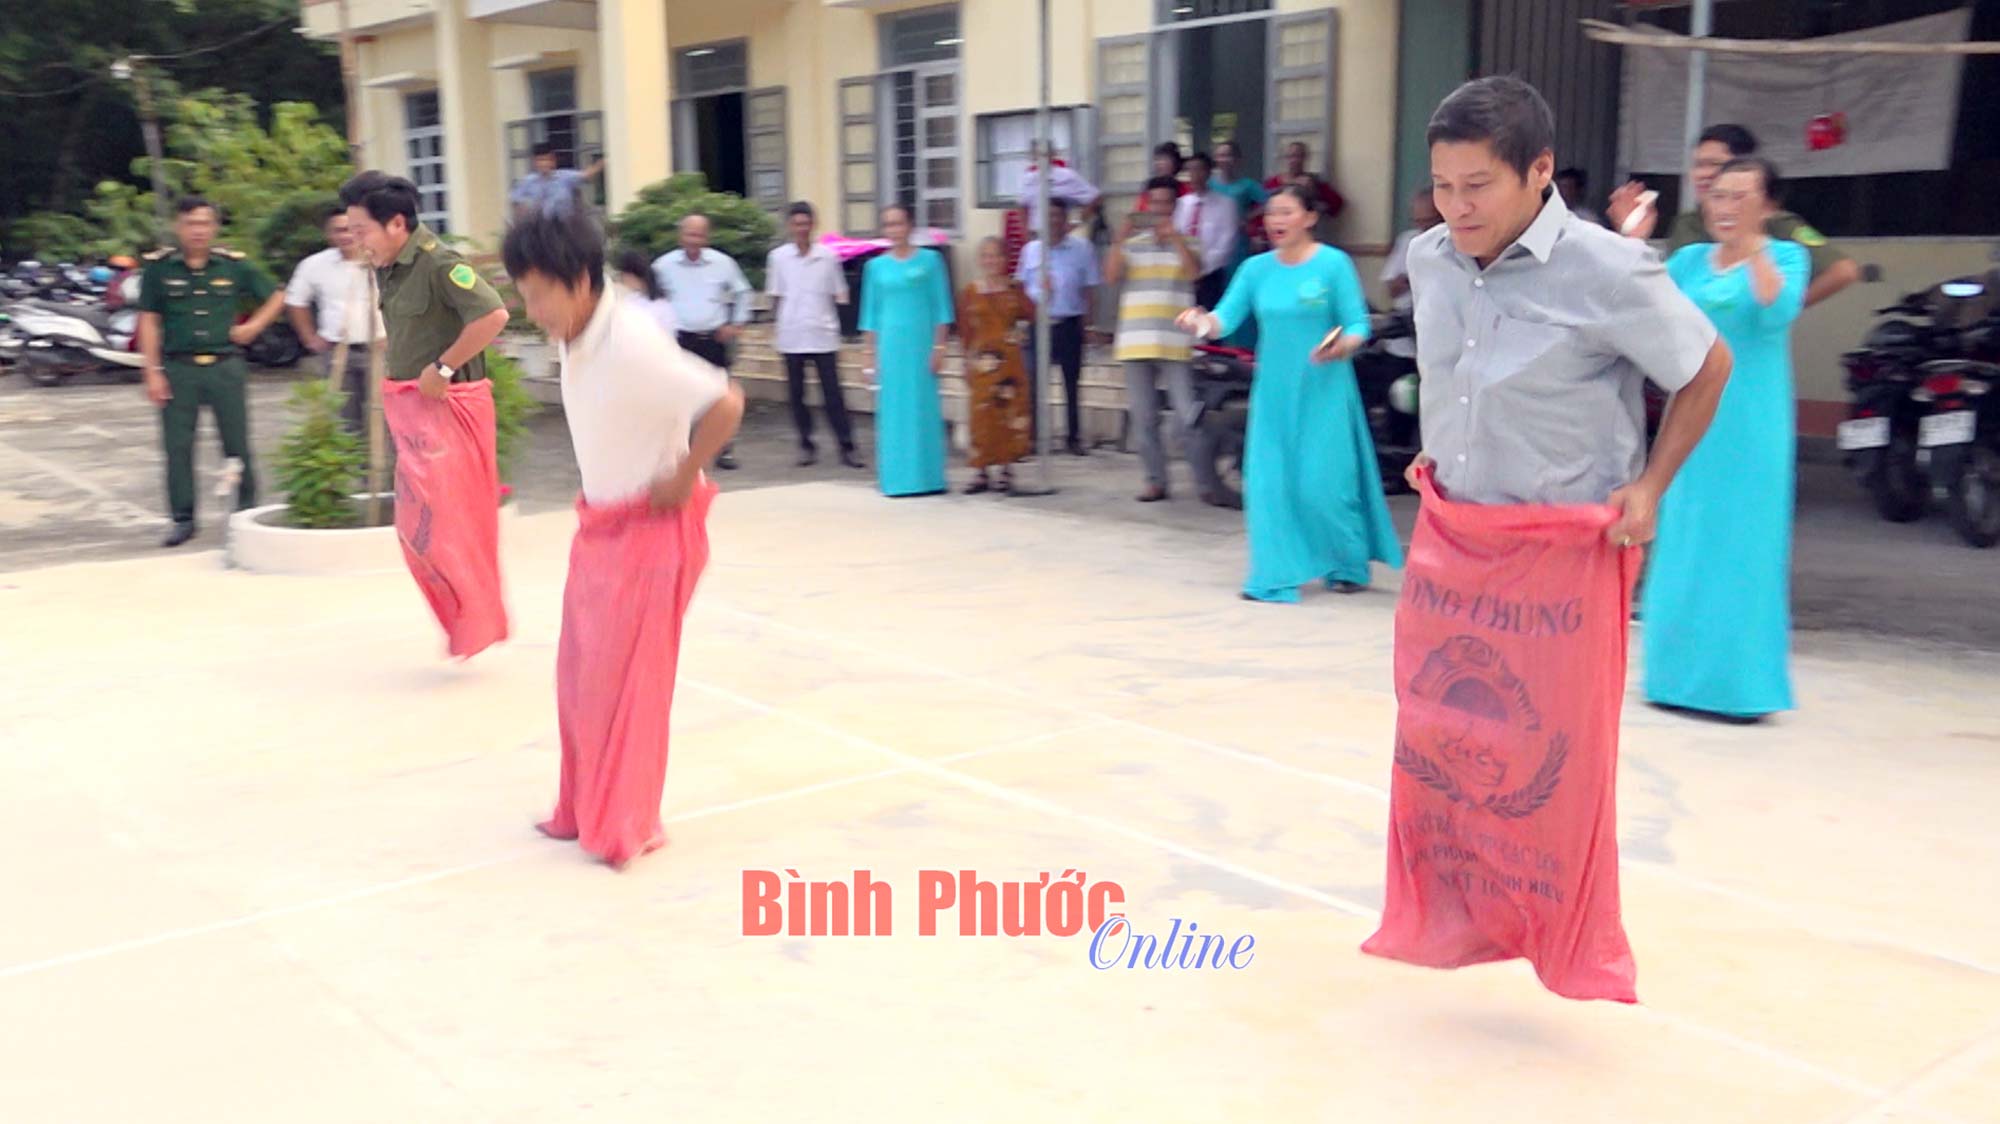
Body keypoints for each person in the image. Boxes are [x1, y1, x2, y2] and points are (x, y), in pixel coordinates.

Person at [503, 209, 744, 871]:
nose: (533, 313)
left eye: (539, 297)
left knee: (631, 688)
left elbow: (726, 402)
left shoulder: (632, 340)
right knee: (582, 679)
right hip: (601, 527)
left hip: (652, 531)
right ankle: (584, 806)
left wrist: (684, 476)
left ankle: (626, 825)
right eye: (524, 297)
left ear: (580, 282)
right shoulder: (577, 329)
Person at [1405, 76, 1730, 516]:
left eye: (1477, 185)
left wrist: (1650, 488)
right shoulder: (1428, 258)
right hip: (1448, 525)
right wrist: (1447, 448)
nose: (1456, 207)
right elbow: (1456, 380)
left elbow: (1709, 365)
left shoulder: (1610, 267)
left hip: (1567, 535)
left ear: (1540, 169)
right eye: (1443, 184)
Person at [1175, 184, 1403, 602]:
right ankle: (1273, 575)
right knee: (1268, 486)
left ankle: (1347, 564)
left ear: (1310, 217)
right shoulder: (1255, 269)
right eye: (1270, 213)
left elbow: (1357, 323)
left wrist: (1344, 346)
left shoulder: (1333, 264)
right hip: (1273, 394)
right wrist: (1199, 323)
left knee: (1323, 485)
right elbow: (1224, 319)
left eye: (1285, 212)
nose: (1275, 221)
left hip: (1325, 391)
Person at [1642, 157, 1807, 724]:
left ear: (1767, 204)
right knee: (1685, 538)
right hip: (1692, 419)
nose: (1726, 206)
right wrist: (1635, 241)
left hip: (1752, 426)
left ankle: (1739, 688)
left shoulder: (1788, 257)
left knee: (1743, 548)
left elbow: (1775, 309)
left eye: (1741, 196)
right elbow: (1646, 305)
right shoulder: (1689, 260)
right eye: (1718, 195)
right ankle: (1672, 677)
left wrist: (1752, 247)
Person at [136, 196, 288, 548]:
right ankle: (183, 518)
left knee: (236, 444)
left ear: (215, 227)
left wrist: (253, 327)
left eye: (205, 223)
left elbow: (277, 295)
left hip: (225, 367)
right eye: (191, 223)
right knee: (177, 446)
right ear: (178, 226)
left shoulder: (233, 266)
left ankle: (245, 513)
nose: (198, 230)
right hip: (179, 369)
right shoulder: (159, 269)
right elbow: (149, 321)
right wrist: (152, 371)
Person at [1608, 123, 1860, 309]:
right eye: (1698, 165)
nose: (1703, 174)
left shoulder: (1773, 221)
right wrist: (1633, 237)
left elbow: (1843, 270)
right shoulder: (1687, 222)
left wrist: (1785, 307)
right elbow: (1658, 288)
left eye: (1714, 164)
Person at [341, 171, 509, 399]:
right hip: (411, 400)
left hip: (450, 402)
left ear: (397, 224)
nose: (357, 243)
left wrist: (443, 368)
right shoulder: (389, 265)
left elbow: (493, 316)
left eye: (361, 232)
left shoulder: (439, 263)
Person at [1111, 177, 1220, 505]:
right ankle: (1155, 481)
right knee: (1144, 417)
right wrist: (1120, 239)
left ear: (1175, 206)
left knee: (1188, 415)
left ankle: (1206, 482)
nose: (1159, 209)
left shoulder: (1190, 241)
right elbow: (1110, 276)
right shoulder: (1132, 244)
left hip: (1175, 340)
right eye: (1154, 203)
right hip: (1135, 340)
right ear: (1146, 205)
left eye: (1166, 203)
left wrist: (1174, 239)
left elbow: (1194, 274)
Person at [859, 202, 955, 497]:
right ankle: (896, 479)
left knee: (922, 408)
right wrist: (868, 357)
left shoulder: (930, 261)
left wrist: (939, 347)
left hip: (921, 346)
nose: (894, 230)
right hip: (890, 348)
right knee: (893, 411)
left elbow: (942, 307)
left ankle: (928, 478)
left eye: (898, 223)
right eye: (888, 224)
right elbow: (870, 315)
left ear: (910, 226)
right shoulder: (875, 267)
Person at [767, 201, 862, 469]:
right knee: (797, 395)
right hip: (792, 333)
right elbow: (776, 295)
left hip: (823, 334)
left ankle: (847, 446)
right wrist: (777, 325)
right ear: (790, 226)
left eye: (806, 223)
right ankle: (806, 445)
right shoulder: (778, 257)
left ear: (813, 225)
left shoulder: (828, 257)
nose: (802, 228)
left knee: (833, 394)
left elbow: (840, 294)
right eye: (797, 224)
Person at [653, 214, 750, 470]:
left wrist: (736, 324)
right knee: (678, 398)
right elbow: (649, 297)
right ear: (681, 236)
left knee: (719, 396)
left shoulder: (722, 263)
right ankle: (678, 451)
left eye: (699, 235)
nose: (694, 240)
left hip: (712, 339)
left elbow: (743, 292)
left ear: (707, 237)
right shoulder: (663, 265)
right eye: (689, 234)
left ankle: (723, 450)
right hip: (680, 341)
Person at [1015, 197, 1102, 455]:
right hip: (1037, 324)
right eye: (1048, 216)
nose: (1053, 221)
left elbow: (1089, 291)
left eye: (1057, 216)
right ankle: (1034, 438)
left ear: (1065, 220)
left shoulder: (1082, 248)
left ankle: (1073, 438)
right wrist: (1022, 321)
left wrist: (1088, 326)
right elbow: (1020, 289)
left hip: (1069, 323)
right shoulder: (1031, 250)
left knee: (1071, 383)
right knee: (1034, 382)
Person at [285, 204, 381, 436]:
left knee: (386, 419)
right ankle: (353, 461)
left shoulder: (384, 259)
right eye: (338, 230)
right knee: (345, 421)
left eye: (351, 229)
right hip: (338, 352)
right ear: (328, 234)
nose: (346, 235)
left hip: (381, 350)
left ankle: (387, 462)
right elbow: (295, 301)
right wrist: (310, 338)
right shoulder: (314, 265)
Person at [957, 237, 1036, 494]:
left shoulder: (1015, 289)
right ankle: (980, 471)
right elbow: (965, 330)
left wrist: (1046, 291)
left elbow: (1032, 315)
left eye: (996, 255)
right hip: (982, 362)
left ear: (1005, 259)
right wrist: (964, 360)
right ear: (980, 260)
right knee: (981, 415)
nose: (991, 261)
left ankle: (1005, 470)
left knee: (1008, 413)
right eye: (986, 255)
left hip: (1010, 362)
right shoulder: (970, 292)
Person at [1380, 188, 1444, 362]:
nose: (1422, 227)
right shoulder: (1408, 241)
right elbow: (1391, 289)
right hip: (1403, 330)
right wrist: (1412, 279)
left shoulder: (1456, 243)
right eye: (1418, 221)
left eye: (1429, 222)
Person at [1174, 152, 1242, 313]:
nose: (1195, 175)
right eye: (1190, 170)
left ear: (1209, 173)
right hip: (1182, 271)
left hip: (1211, 273)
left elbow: (1227, 241)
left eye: (1199, 169)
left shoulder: (1226, 204)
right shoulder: (1181, 204)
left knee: (1208, 317)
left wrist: (1202, 268)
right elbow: (1176, 234)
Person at [509, 142, 606, 221]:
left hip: (563, 225)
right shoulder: (528, 181)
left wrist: (602, 162)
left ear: (553, 161)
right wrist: (523, 212)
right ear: (535, 162)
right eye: (540, 160)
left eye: (546, 160)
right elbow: (515, 200)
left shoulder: (565, 177)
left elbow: (586, 174)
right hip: (538, 227)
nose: (544, 163)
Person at [1263, 140, 1345, 223]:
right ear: (1286, 158)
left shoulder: (1313, 182)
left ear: (1305, 158)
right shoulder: (1274, 182)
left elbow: (1336, 205)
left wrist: (1314, 194)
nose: (1294, 160)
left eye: (1299, 156)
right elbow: (1261, 204)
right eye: (1291, 156)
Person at [613, 249, 679, 336]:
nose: (622, 279)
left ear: (631, 275)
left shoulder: (659, 306)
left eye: (622, 274)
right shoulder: (629, 300)